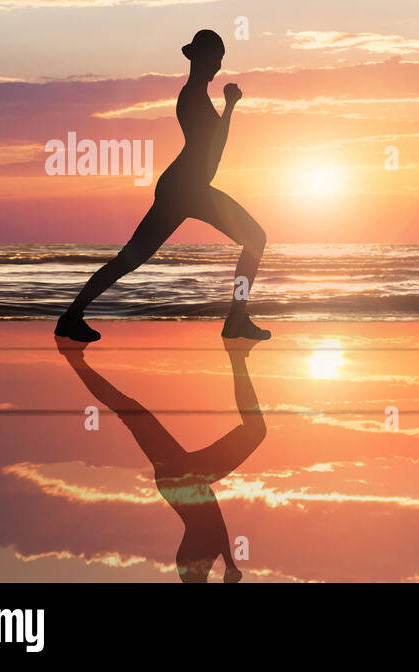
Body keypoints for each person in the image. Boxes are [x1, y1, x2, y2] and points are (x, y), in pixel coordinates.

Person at [55, 29, 269, 342]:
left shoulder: (197, 95)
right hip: (185, 190)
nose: (218, 67)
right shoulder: (193, 97)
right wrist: (231, 106)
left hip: (188, 189)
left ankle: (72, 315)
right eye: (215, 59)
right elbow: (214, 148)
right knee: (253, 239)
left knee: (132, 258)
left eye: (220, 61)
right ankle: (236, 319)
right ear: (200, 58)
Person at [56, 335, 267, 582]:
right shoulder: (205, 553)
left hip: (181, 479)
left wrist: (230, 563)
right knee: (254, 431)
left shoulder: (193, 565)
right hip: (186, 478)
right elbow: (213, 520)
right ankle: (236, 352)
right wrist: (229, 562)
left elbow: (214, 521)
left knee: (132, 412)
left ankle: (72, 356)